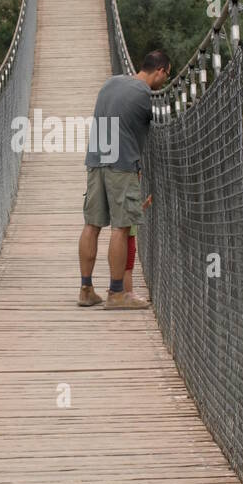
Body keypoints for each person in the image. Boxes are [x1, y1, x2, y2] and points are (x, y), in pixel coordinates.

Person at [78, 49, 171, 310]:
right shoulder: (143, 94)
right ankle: (117, 293)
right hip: (122, 165)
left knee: (92, 224)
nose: (164, 81)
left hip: (96, 160)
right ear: (161, 70)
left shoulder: (111, 82)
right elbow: (160, 121)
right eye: (166, 75)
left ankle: (86, 289)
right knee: (121, 226)